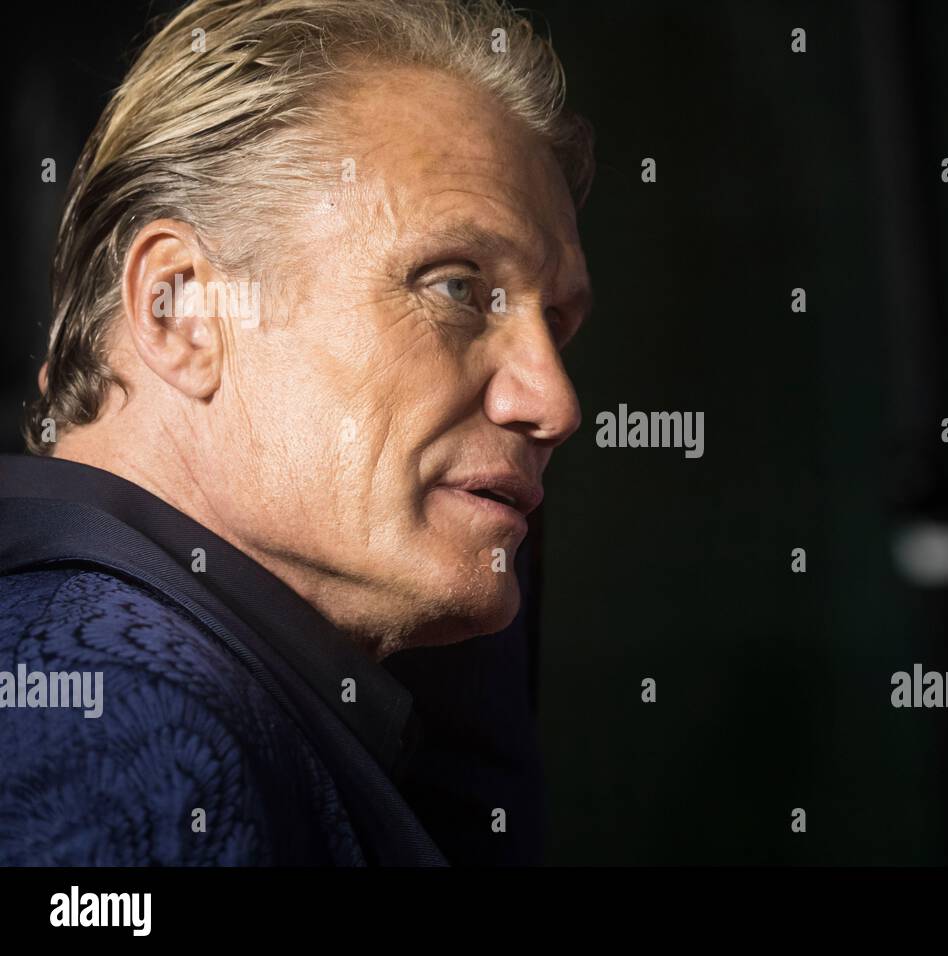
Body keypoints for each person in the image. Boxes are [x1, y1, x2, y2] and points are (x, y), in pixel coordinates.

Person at [0, 0, 593, 865]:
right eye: (458, 288)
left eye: (560, 326)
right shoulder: (130, 746)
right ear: (183, 312)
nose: (555, 401)